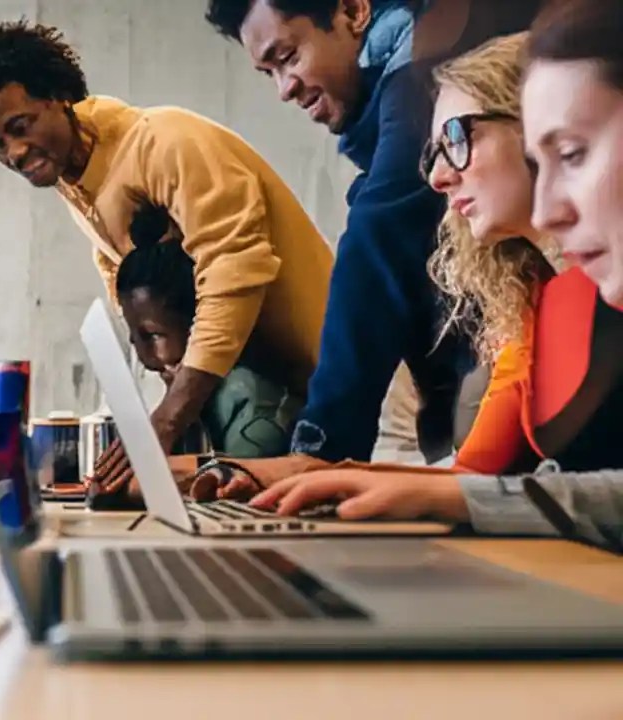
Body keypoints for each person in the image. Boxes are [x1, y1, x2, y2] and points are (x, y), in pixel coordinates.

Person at [241, 0, 623, 552]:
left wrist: (329, 461)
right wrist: (320, 476)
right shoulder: (534, 299)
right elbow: (483, 472)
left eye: (571, 153)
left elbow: (492, 483)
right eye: (434, 154)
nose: (440, 178)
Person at [0, 19, 334, 493]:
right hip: (267, 398)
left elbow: (233, 273)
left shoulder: (166, 142)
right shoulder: (78, 182)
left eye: (19, 127)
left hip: (336, 387)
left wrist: (167, 421)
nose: (15, 153)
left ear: (59, 94)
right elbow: (134, 295)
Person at [203, 0, 476, 469]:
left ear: (352, 11)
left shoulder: (420, 82)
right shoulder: (388, 117)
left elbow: (375, 247)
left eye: (287, 57)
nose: (283, 90)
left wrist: (318, 451)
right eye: (268, 71)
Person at [115, 203, 302, 458]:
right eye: (134, 338)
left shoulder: (254, 403)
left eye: (153, 335)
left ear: (198, 324)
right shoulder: (192, 395)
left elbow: (242, 482)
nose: (145, 358)